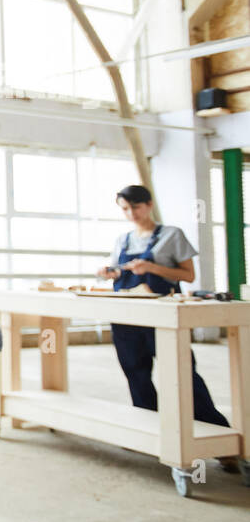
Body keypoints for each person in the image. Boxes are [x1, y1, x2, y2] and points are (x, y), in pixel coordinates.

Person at [97, 184, 237, 468]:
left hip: (163, 315)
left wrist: (152, 268)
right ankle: (149, 433)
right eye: (125, 209)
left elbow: (188, 274)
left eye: (136, 207)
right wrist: (110, 273)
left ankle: (221, 440)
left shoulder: (172, 235)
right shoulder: (122, 240)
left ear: (149, 205)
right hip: (127, 316)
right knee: (136, 374)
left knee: (183, 374)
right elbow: (119, 273)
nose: (131, 214)